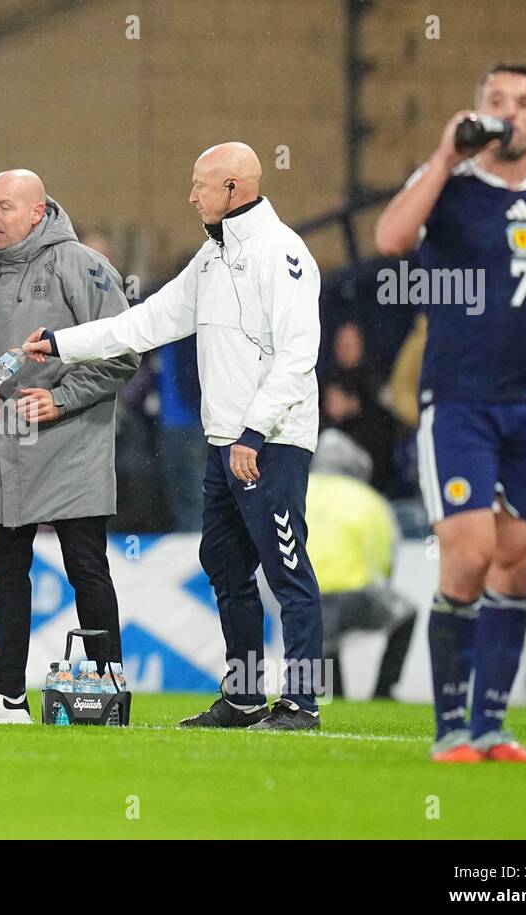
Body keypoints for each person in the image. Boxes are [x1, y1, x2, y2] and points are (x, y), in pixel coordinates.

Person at [24, 142, 327, 731]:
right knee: (224, 564)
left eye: (200, 186)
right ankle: (243, 698)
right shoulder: (212, 260)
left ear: (233, 189)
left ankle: (303, 703)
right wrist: (63, 343)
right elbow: (146, 322)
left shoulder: (282, 252)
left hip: (271, 442)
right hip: (224, 444)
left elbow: (297, 357)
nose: (191, 197)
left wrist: (254, 433)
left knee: (287, 568)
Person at [375, 64, 526, 763]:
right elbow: (391, 240)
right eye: (496, 101)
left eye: (524, 104)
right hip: (458, 403)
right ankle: (450, 729)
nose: (510, 113)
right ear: (478, 109)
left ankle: (491, 728)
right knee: (471, 554)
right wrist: (443, 154)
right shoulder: (449, 187)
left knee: (517, 566)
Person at [0, 169, 138, 724]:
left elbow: (123, 351)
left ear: (37, 211)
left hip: (71, 442)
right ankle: (8, 698)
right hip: (4, 444)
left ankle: (106, 695)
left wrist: (61, 400)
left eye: (4, 207)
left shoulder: (82, 265)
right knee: (4, 569)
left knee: (86, 567)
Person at [305, 430, 416, 700]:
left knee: (323, 636)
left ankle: (334, 692)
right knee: (406, 614)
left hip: (303, 596)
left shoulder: (297, 489)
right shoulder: (370, 499)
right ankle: (384, 689)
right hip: (355, 595)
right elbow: (386, 554)